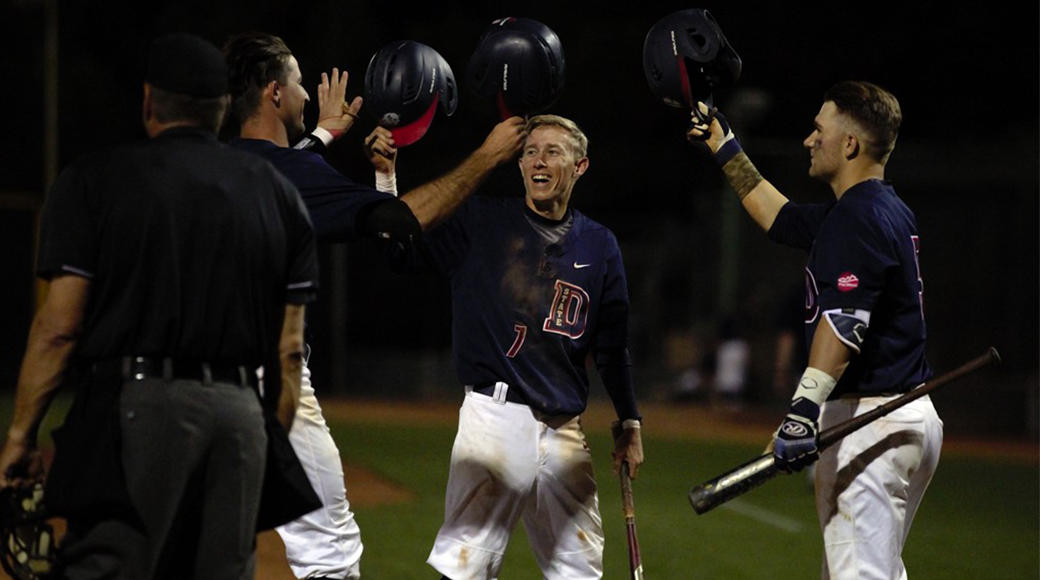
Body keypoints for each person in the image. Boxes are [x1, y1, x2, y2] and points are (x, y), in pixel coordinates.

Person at [0, 33, 318, 579]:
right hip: (240, 418)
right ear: (222, 110)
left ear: (149, 101)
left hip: (140, 411)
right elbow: (289, 353)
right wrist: (261, 440)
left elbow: (59, 329)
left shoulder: (94, 180)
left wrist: (20, 438)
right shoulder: (278, 193)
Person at [222, 32, 525, 580]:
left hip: (187, 384)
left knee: (207, 540)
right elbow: (401, 222)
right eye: (295, 84)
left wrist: (320, 136)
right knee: (329, 551)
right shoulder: (295, 175)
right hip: (268, 379)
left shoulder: (215, 162)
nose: (306, 97)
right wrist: (486, 157)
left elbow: (274, 168)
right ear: (272, 94)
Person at [688, 81, 941, 579]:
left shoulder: (857, 217)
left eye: (818, 129)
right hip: (900, 412)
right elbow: (777, 217)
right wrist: (723, 145)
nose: (808, 139)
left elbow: (845, 324)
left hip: (870, 419)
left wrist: (802, 413)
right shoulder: (881, 209)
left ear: (849, 145)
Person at [395, 114, 644, 580]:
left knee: (580, 569)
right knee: (467, 566)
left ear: (580, 166)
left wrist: (628, 419)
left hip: (566, 429)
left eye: (553, 152)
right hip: (495, 419)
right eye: (530, 151)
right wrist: (386, 176)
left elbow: (612, 346)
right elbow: (397, 244)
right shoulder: (482, 221)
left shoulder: (601, 244)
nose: (539, 161)